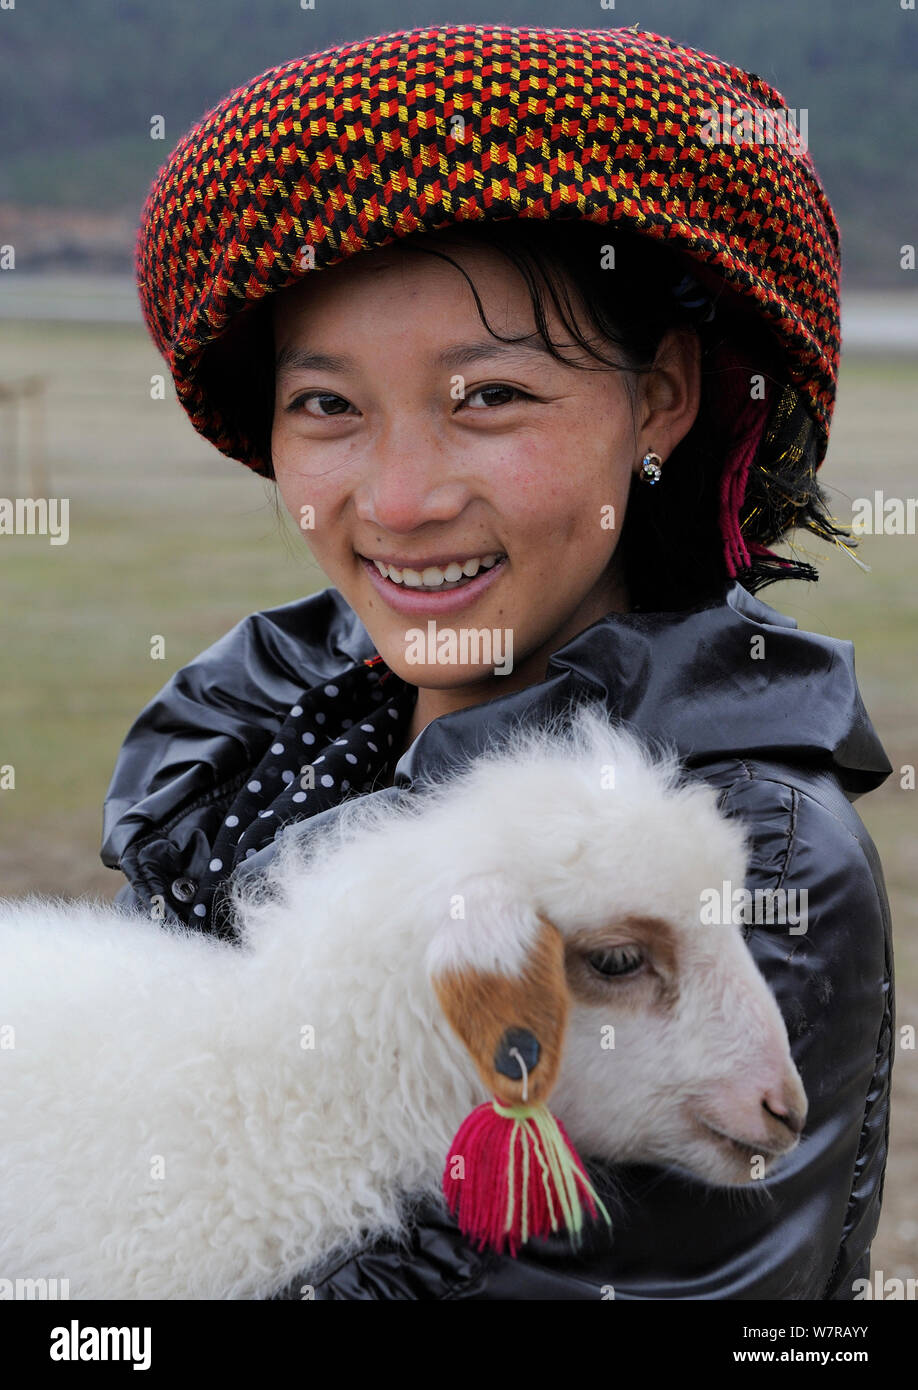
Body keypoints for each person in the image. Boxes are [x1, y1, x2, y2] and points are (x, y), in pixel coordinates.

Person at [103, 23, 894, 1299]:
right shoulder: (260, 764)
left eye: (489, 399)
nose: (400, 499)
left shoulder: (731, 853)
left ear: (663, 400)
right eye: (328, 407)